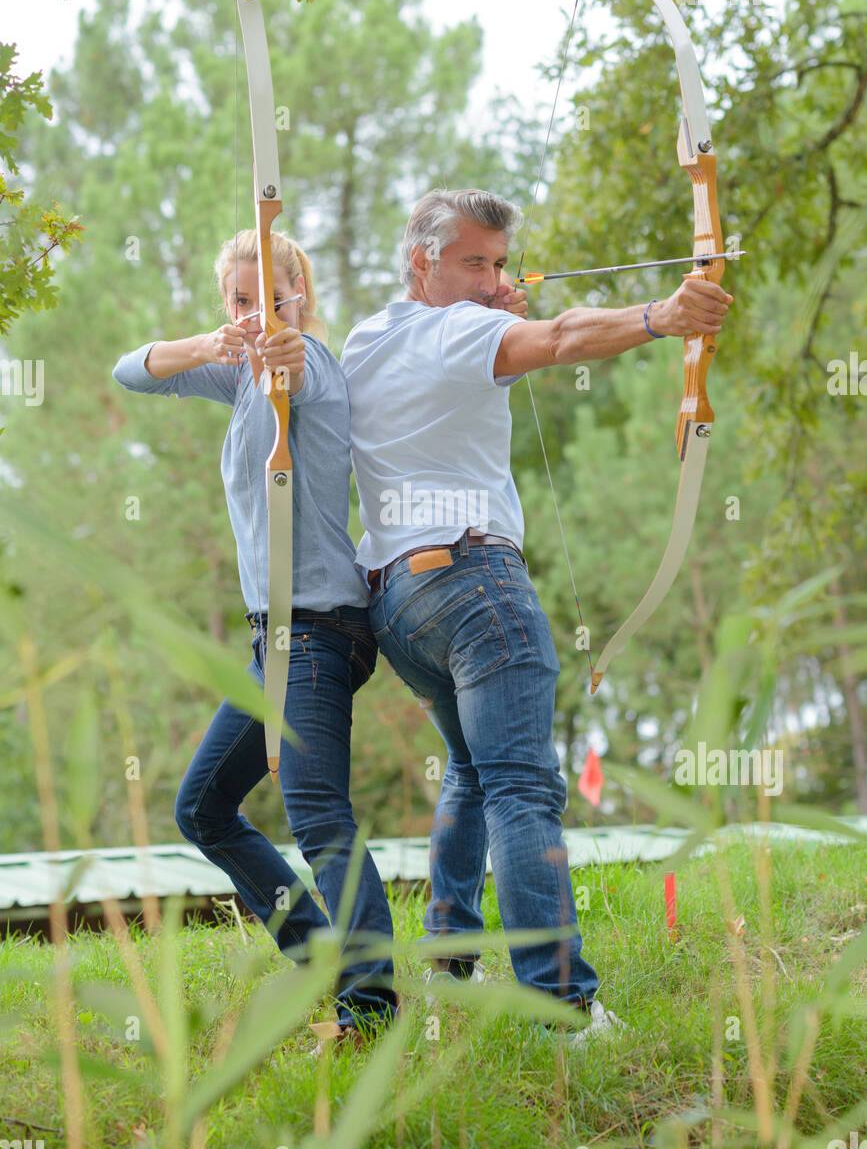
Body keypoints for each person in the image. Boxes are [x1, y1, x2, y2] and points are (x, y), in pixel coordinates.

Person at [340, 188, 732, 1044]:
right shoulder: (461, 331)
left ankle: (449, 968)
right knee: (522, 785)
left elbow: (474, 357)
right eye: (474, 262)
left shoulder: (366, 339)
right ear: (422, 261)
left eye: (498, 263)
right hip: (476, 582)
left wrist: (483, 309)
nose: (493, 278)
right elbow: (559, 337)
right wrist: (663, 314)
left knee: (472, 773)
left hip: (397, 600)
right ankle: (563, 1009)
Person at [112, 230, 399, 1049]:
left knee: (319, 819)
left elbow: (294, 371)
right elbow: (130, 371)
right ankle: (316, 951)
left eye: (273, 296)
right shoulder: (237, 377)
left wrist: (281, 340)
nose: (256, 314)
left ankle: (371, 1006)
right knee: (202, 808)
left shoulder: (310, 362)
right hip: (272, 640)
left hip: (317, 629)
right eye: (241, 300)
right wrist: (213, 342)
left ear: (300, 294)